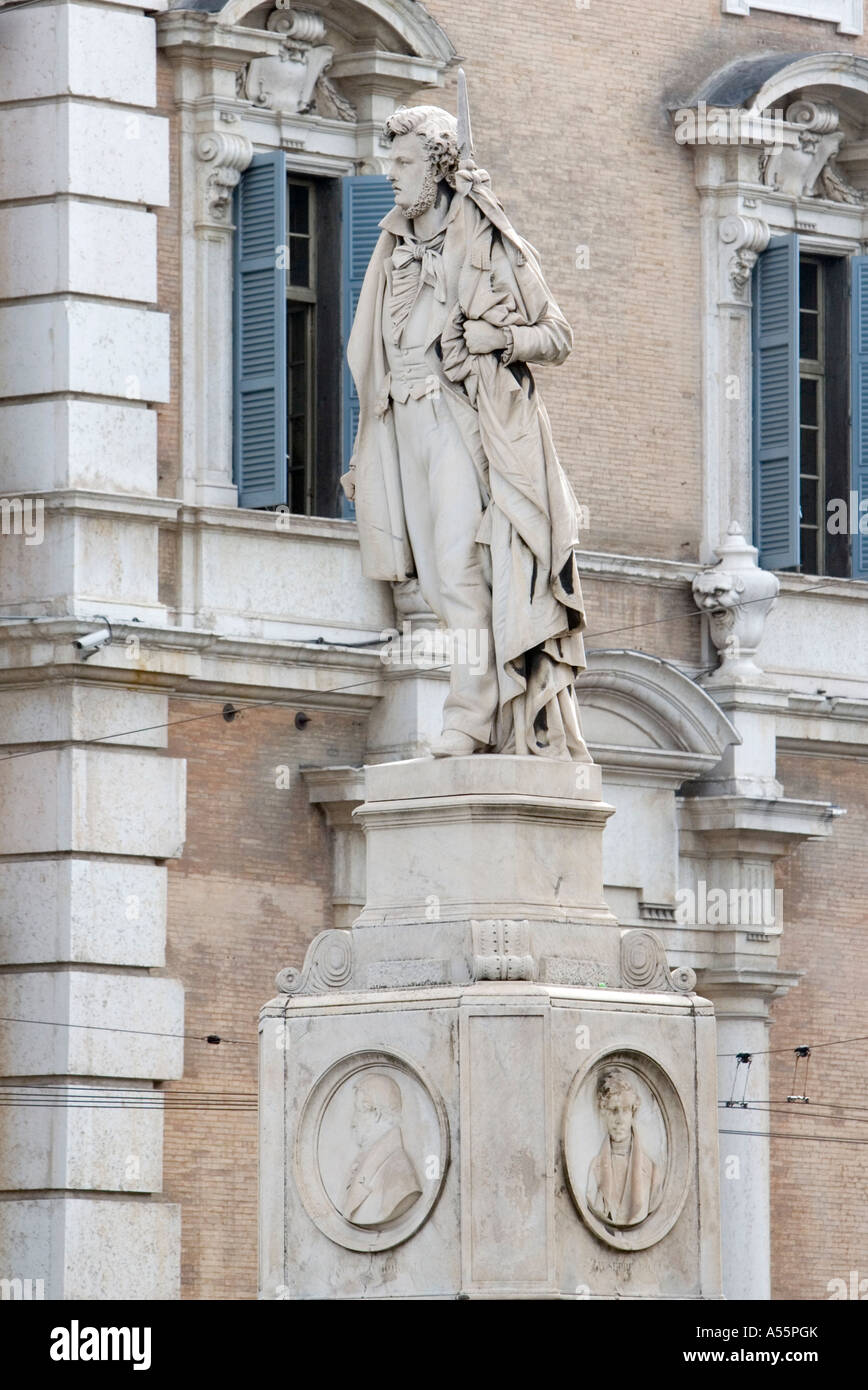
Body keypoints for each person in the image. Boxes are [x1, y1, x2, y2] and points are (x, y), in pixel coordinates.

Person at [342, 85, 591, 761]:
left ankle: (470, 716)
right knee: (434, 581)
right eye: (390, 162)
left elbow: (557, 335)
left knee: (458, 571)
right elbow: (376, 360)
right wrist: (367, 448)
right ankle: (475, 712)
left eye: (403, 163)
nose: (390, 175)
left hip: (463, 423)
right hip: (404, 430)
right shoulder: (390, 248)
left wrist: (495, 339)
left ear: (439, 166)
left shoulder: (486, 239)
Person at [342, 1072, 422, 1227]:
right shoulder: (368, 1160)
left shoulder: (399, 1174)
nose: (353, 1122)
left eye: (358, 1111)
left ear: (377, 1115)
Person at [586, 1067, 664, 1226]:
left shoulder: (653, 1171)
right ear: (604, 1113)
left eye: (625, 1111)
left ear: (633, 1114)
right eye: (613, 1110)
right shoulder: (594, 1168)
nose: (619, 1120)